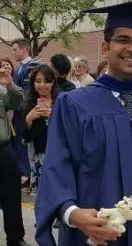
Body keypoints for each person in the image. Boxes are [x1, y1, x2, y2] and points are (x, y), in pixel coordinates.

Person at [35, 1, 132, 246]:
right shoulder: (74, 105)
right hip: (93, 234)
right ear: (105, 46)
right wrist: (72, 214)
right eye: (123, 39)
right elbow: (56, 170)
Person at [0, 64, 30, 246]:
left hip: (3, 149)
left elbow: (19, 102)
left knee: (11, 196)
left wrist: (10, 83)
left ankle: (16, 238)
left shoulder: (1, 90)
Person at [23, 64, 59, 195]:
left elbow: (71, 129)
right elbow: (26, 137)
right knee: (42, 199)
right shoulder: (29, 104)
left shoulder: (62, 101)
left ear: (53, 82)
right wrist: (28, 120)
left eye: (46, 81)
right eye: (38, 81)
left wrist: (53, 116)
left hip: (60, 155)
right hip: (40, 158)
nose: (42, 85)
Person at [12, 39, 32, 187]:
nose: (13, 52)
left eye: (15, 49)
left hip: (24, 111)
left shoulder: (30, 67)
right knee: (18, 143)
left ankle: (26, 173)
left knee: (24, 144)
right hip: (17, 112)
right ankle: (22, 171)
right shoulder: (19, 68)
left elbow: (26, 93)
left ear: (24, 49)